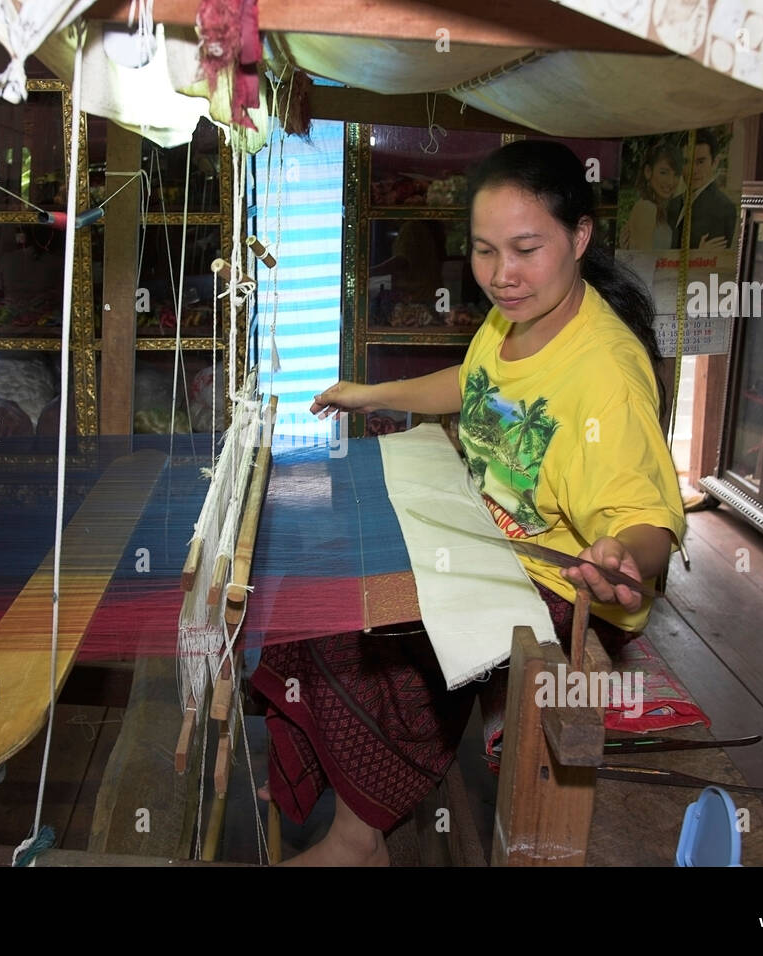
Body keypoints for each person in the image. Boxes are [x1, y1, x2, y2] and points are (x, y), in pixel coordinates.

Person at [252, 140, 686, 865]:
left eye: (526, 250)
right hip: (483, 535)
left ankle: (356, 839)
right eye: (485, 251)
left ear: (580, 236)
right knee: (317, 572)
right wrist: (369, 394)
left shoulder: (607, 375)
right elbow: (474, 381)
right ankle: (322, 780)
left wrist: (620, 555)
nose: (501, 275)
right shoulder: (519, 317)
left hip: (551, 591)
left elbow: (647, 522)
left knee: (366, 638)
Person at [666, 128, 737, 251]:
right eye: (686, 162)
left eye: (700, 162)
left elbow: (713, 260)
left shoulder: (723, 208)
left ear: (714, 163)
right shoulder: (673, 204)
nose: (693, 170)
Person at [620, 139, 684, 250]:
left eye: (676, 175)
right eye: (664, 172)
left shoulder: (660, 209)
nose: (671, 181)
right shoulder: (647, 208)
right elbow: (644, 259)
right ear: (648, 171)